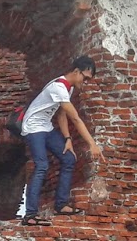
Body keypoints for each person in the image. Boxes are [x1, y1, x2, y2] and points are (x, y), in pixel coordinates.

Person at [21, 56, 104, 226]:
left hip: (46, 127)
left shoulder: (68, 88)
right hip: (33, 127)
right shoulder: (58, 87)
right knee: (42, 165)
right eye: (85, 78)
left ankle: (61, 205)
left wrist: (67, 139)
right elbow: (76, 119)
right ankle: (30, 215)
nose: (85, 82)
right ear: (76, 71)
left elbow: (61, 114)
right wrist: (92, 144)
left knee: (68, 158)